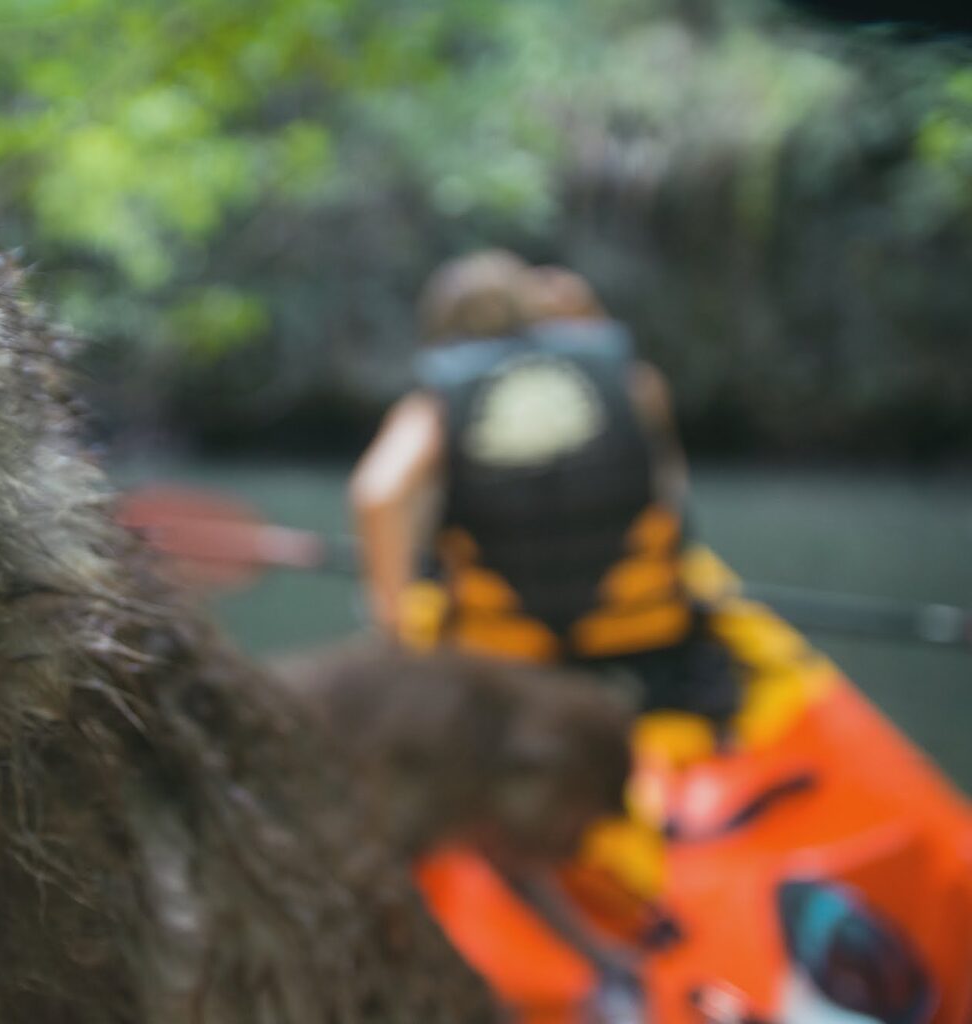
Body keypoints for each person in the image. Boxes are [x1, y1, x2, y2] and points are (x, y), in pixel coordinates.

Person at [349, 256, 972, 1023]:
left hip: (516, 673)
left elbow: (378, 493)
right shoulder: (632, 383)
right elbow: (668, 509)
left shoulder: (437, 408)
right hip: (656, 660)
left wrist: (394, 632)